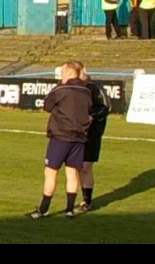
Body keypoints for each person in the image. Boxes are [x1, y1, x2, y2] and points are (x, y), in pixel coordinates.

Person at [27, 61, 92, 219]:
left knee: (51, 172)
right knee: (72, 172)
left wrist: (58, 86)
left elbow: (47, 106)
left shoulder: (61, 90)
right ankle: (69, 209)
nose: (61, 75)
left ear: (70, 73)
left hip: (61, 136)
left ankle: (44, 209)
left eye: (63, 72)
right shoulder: (86, 91)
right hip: (79, 137)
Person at [76, 64, 111, 212]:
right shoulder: (71, 88)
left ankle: (86, 201)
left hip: (92, 133)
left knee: (85, 167)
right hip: (75, 132)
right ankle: (76, 198)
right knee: (76, 167)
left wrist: (92, 117)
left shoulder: (94, 88)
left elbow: (106, 107)